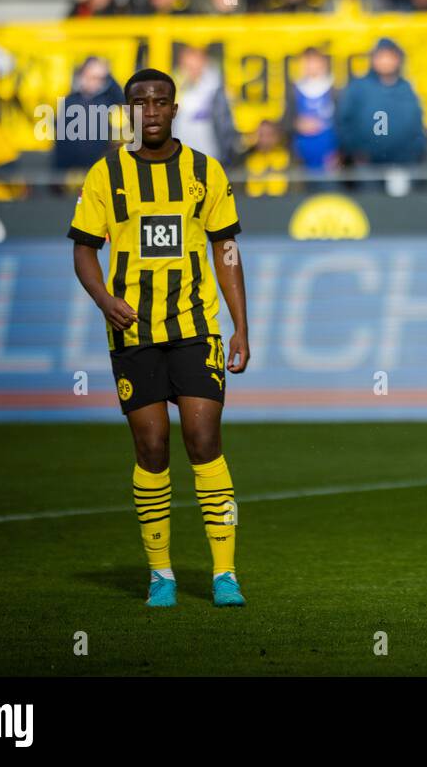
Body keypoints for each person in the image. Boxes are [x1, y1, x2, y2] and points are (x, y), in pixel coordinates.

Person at [67, 68, 250, 610]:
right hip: (134, 333)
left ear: (174, 109)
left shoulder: (204, 172)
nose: (150, 110)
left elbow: (227, 249)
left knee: (203, 439)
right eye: (140, 102)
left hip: (195, 329)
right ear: (128, 112)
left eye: (160, 101)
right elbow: (83, 250)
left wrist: (241, 325)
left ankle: (224, 574)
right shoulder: (106, 175)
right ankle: (161, 575)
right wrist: (106, 301)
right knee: (151, 447)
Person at [336, 38, 426, 166]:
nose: (386, 62)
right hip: (366, 162)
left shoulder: (406, 88)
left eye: (390, 57)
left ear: (398, 60)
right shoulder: (358, 87)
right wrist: (355, 150)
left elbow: (416, 122)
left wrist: (414, 150)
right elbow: (344, 121)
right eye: (381, 57)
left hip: (402, 162)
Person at [284, 46, 339, 170]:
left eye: (314, 61)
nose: (310, 66)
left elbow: (343, 123)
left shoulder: (334, 91)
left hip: (330, 158)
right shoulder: (294, 90)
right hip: (301, 156)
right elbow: (285, 123)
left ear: (323, 63)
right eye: (306, 62)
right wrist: (297, 124)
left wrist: (340, 153)